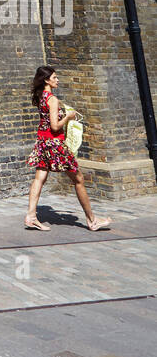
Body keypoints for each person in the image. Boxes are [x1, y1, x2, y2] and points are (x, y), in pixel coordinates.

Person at [26, 65, 111, 232]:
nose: (57, 80)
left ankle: (31, 216)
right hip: (55, 144)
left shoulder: (40, 96)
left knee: (39, 178)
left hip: (43, 142)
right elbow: (55, 126)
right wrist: (68, 116)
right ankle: (92, 220)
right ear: (46, 80)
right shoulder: (52, 99)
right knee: (78, 179)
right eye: (55, 77)